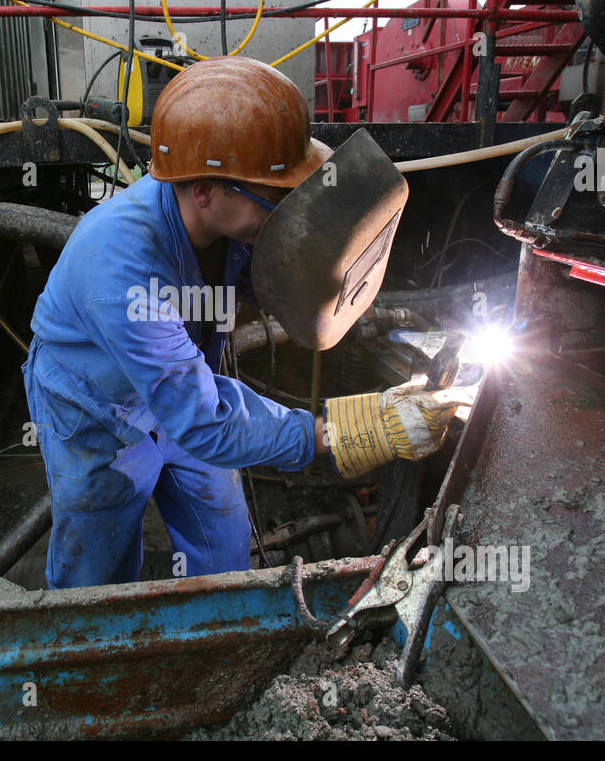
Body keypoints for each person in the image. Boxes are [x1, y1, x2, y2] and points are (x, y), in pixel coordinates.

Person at [23, 55, 464, 589]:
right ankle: (87, 657)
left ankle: (218, 650)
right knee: (96, 569)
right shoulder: (121, 265)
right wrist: (342, 431)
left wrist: (396, 328)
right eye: (273, 199)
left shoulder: (231, 227)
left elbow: (291, 295)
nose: (285, 214)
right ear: (205, 190)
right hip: (97, 409)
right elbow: (206, 422)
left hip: (185, 389)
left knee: (224, 546)